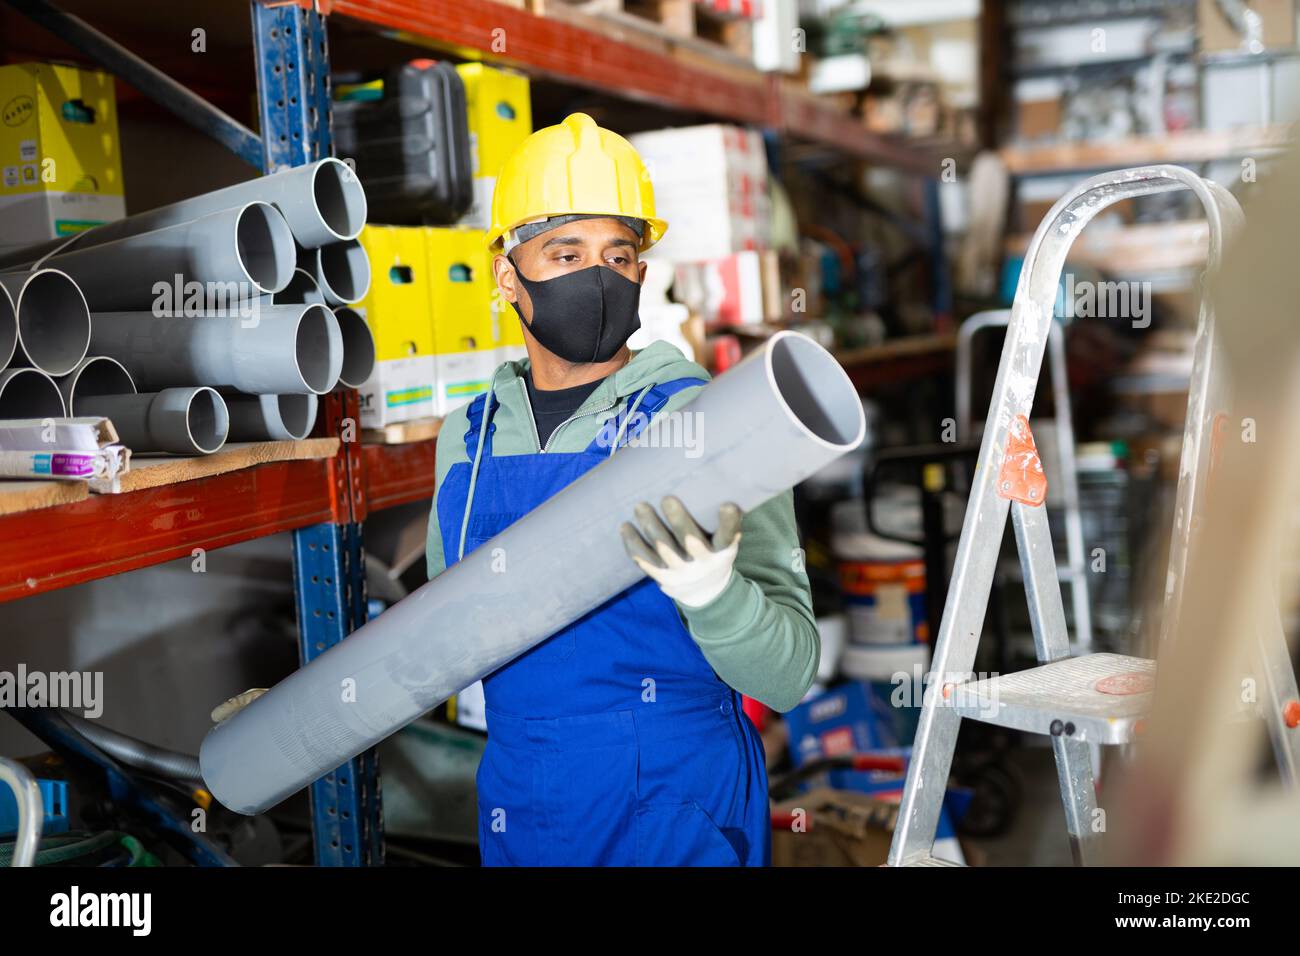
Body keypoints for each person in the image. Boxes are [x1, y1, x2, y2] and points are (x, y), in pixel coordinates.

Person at [425, 113, 818, 867]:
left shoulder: (707, 421)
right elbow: (441, 646)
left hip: (677, 801)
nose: (598, 276)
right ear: (508, 274)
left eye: (619, 254)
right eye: (564, 252)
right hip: (523, 802)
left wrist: (716, 596)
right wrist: (301, 714)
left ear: (642, 271)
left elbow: (792, 673)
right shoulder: (466, 443)